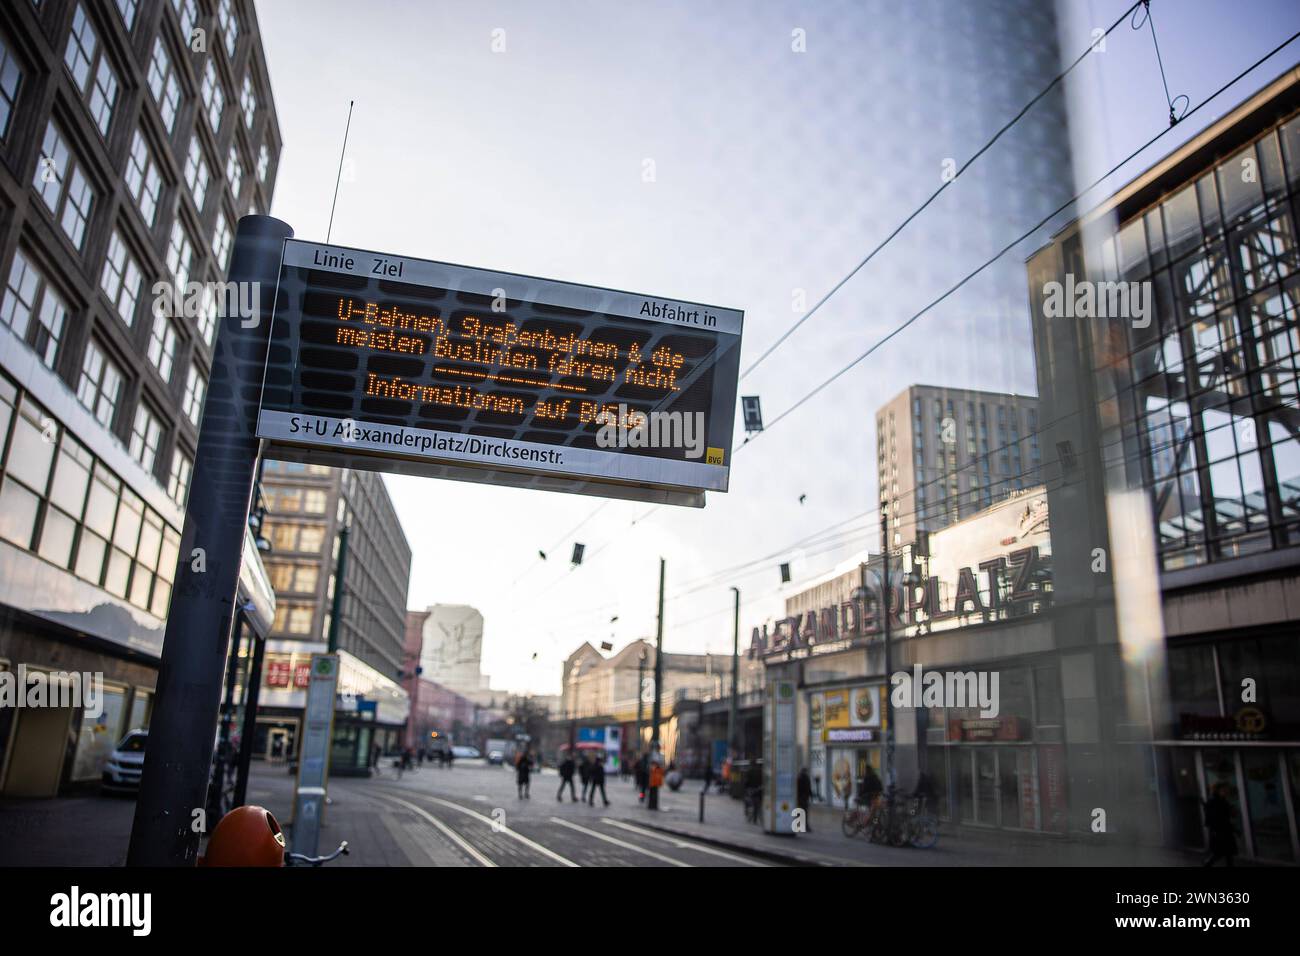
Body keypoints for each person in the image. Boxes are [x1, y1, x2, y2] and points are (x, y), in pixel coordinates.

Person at [1203, 783, 1237, 867]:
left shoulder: (1222, 800)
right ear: (1218, 790)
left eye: (1226, 789)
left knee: (1228, 854)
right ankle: (1207, 864)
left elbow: (1226, 816)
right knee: (1220, 853)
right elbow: (1213, 818)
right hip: (1220, 831)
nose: (1226, 791)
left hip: (1225, 830)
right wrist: (1215, 830)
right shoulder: (1215, 802)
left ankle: (1208, 863)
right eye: (1224, 789)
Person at [796, 767, 813, 833]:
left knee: (800, 812)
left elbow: (798, 788)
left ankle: (799, 826)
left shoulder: (799, 777)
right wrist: (811, 796)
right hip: (804, 798)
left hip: (801, 797)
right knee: (804, 812)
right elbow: (808, 788)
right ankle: (804, 826)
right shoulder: (805, 778)